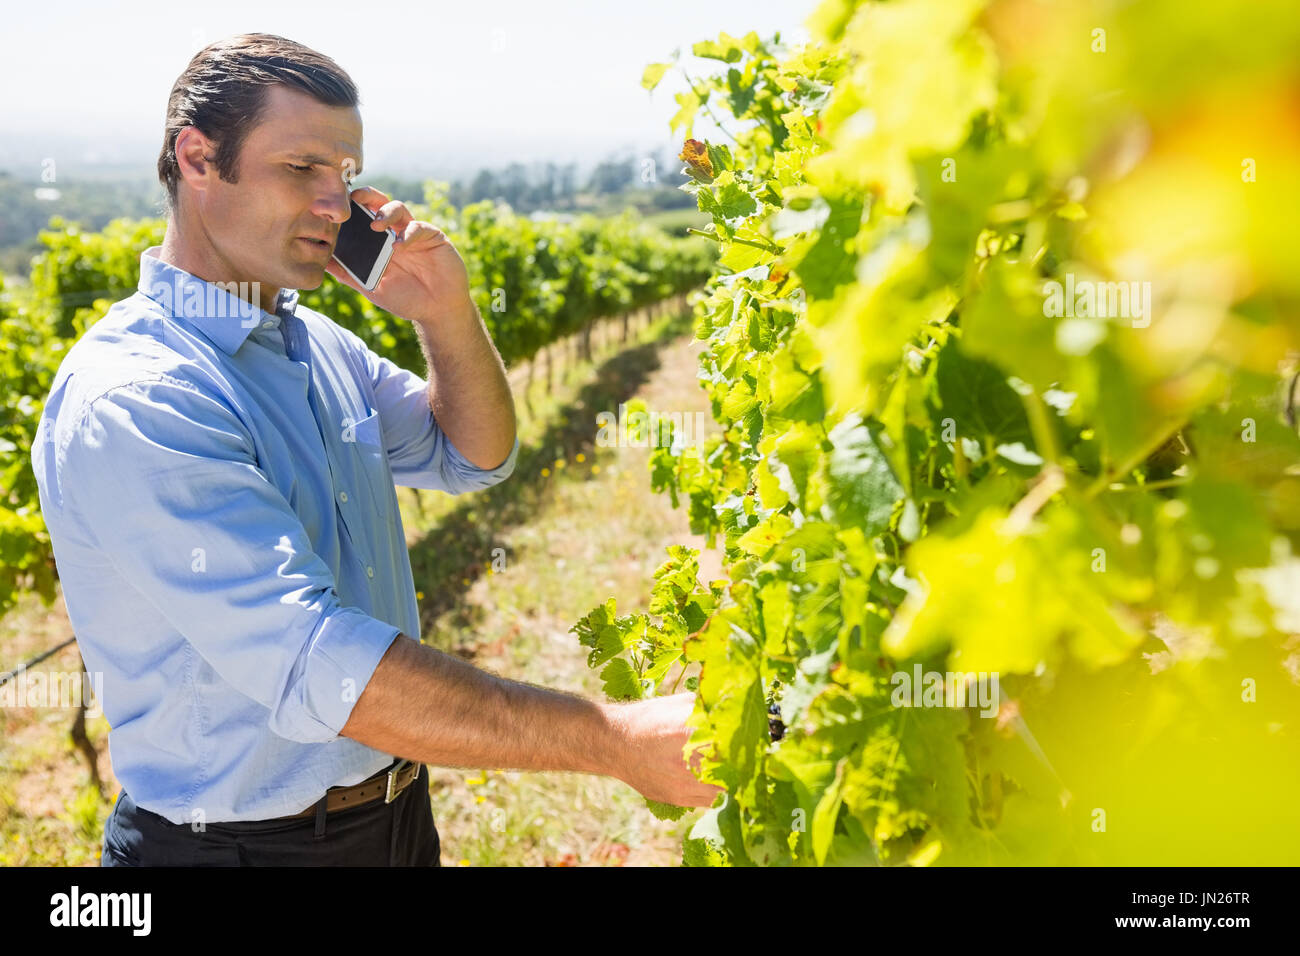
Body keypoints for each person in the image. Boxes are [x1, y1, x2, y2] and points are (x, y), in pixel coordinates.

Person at [30, 32, 721, 867]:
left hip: (394, 817)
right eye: (303, 169)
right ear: (200, 159)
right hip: (236, 854)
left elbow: (473, 454)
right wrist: (612, 739)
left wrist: (445, 313)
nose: (336, 203)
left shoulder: (314, 343)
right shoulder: (142, 397)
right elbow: (313, 659)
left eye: (346, 176)